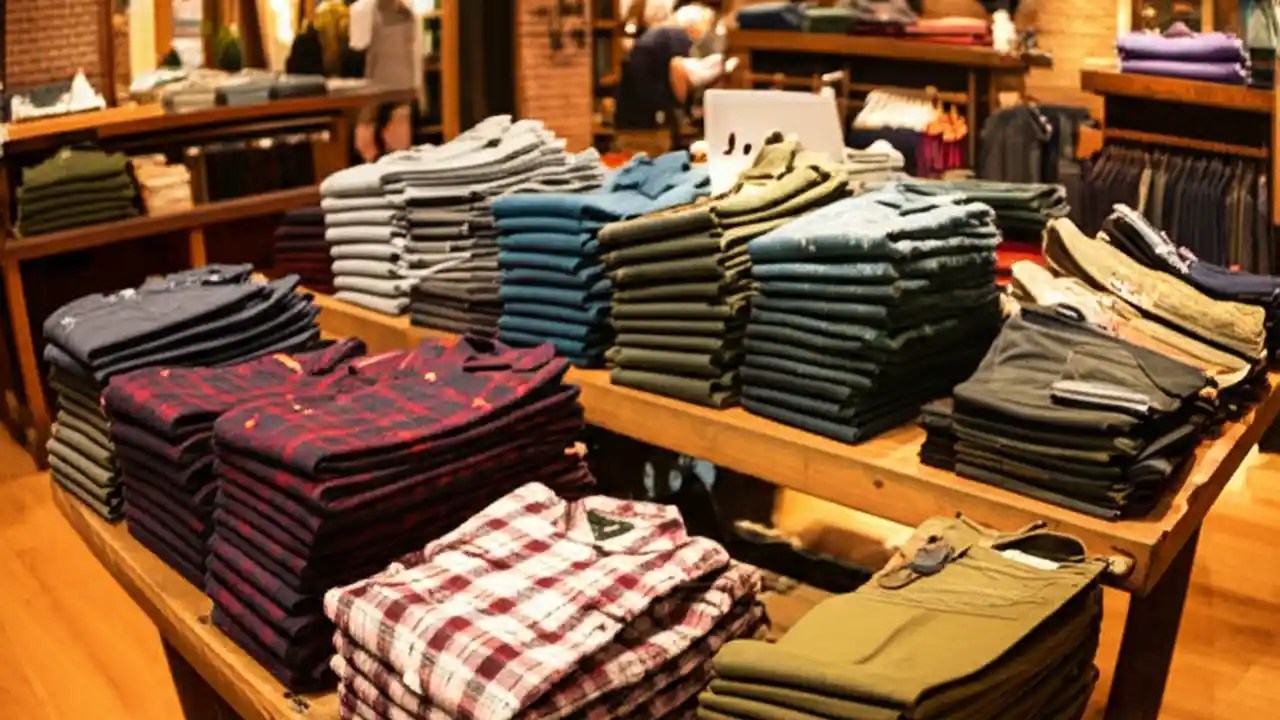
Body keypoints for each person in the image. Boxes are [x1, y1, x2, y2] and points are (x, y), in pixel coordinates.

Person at [614, 2, 734, 154]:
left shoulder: (654, 35)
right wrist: (684, 113)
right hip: (653, 127)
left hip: (628, 120)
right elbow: (677, 69)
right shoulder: (675, 36)